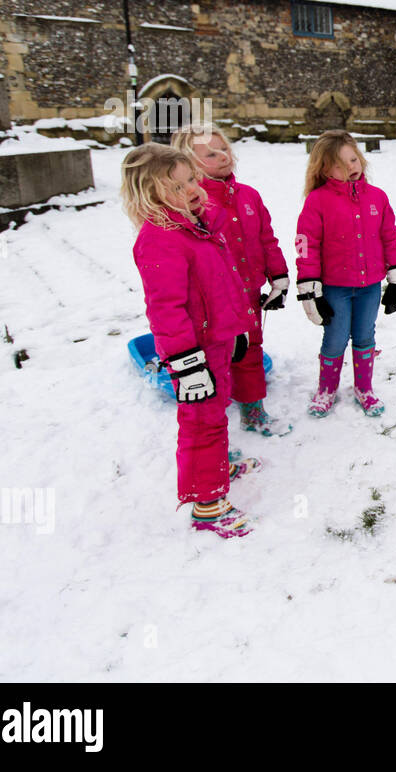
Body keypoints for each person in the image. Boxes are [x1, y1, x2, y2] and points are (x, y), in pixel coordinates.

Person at [122, 143, 261, 538]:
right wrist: (186, 364)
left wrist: (235, 330)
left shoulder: (197, 226)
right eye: (180, 186)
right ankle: (207, 504)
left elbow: (222, 284)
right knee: (201, 422)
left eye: (192, 180)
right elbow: (165, 309)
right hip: (194, 351)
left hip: (216, 340)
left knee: (215, 412)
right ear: (152, 196)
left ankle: (217, 468)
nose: (194, 190)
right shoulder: (159, 239)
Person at [171, 123, 291, 438]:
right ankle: (213, 427)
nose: (222, 155)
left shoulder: (249, 196)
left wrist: (278, 276)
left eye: (223, 148)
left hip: (250, 295)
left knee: (251, 351)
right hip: (214, 303)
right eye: (210, 153)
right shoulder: (194, 205)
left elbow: (267, 239)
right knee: (218, 361)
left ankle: (253, 411)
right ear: (189, 163)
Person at [295, 131, 396, 418]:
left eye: (353, 159)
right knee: (335, 338)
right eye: (340, 165)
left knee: (365, 335)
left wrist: (395, 279)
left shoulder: (377, 198)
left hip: (370, 286)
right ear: (324, 169)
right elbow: (308, 246)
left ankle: (364, 388)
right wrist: (311, 290)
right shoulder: (317, 202)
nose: (351, 167)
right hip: (335, 288)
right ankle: (326, 389)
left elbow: (390, 237)